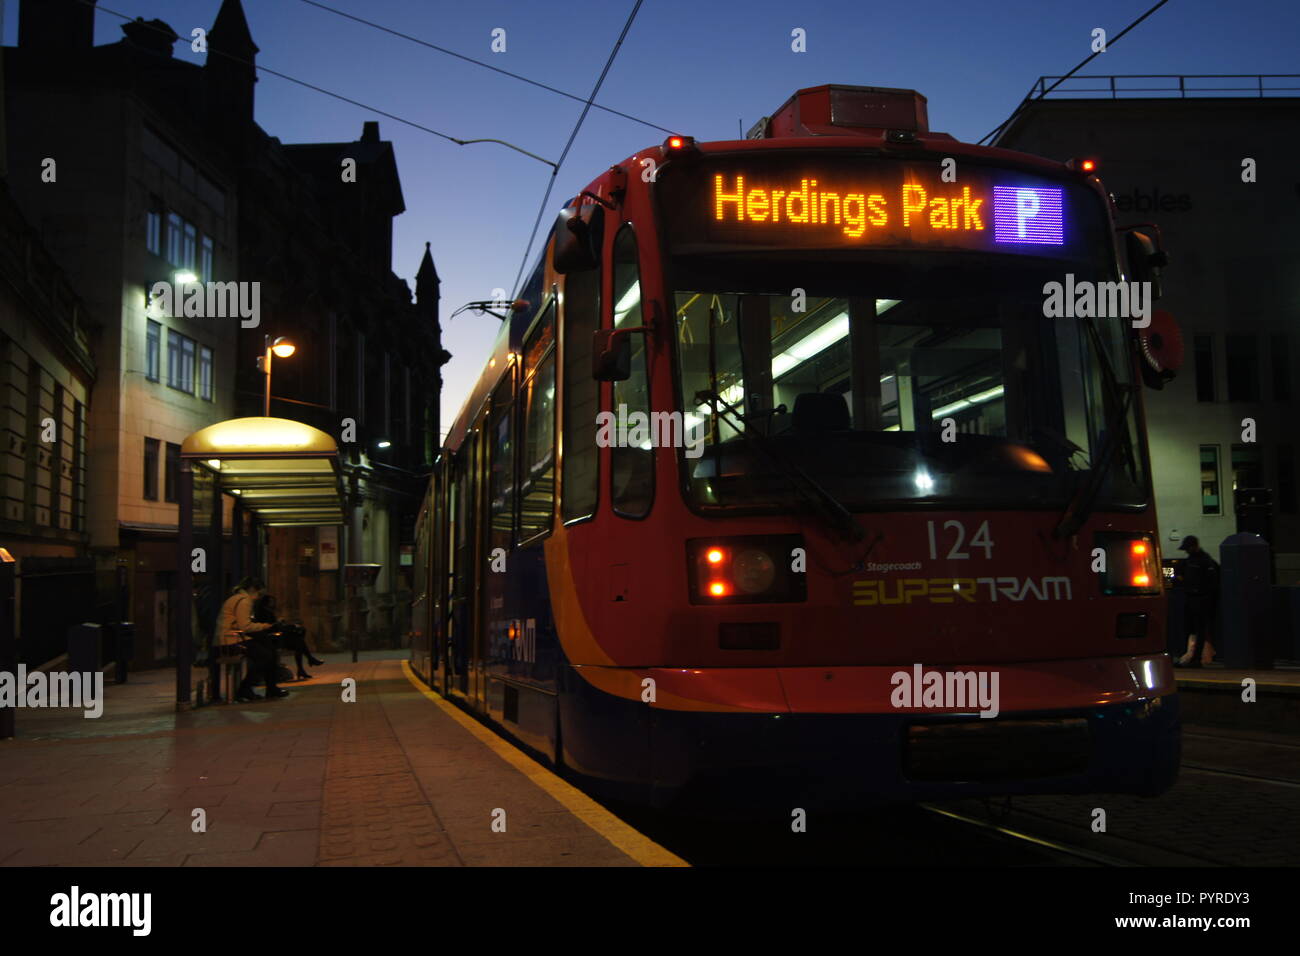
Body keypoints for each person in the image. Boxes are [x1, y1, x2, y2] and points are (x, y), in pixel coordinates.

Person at [216, 576, 289, 700]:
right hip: (231, 641)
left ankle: (266, 688)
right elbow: (245, 625)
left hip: (229, 639)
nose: (258, 598)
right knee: (266, 655)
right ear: (252, 589)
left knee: (267, 650)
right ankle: (248, 688)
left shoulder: (237, 598)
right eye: (259, 594)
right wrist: (265, 626)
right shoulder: (244, 601)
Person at [252, 593, 324, 681]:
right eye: (271, 601)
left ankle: (305, 665)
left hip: (277, 635)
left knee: (299, 641)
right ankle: (307, 662)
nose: (273, 603)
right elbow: (270, 626)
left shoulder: (267, 611)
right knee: (299, 640)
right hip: (273, 638)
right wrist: (281, 624)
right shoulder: (264, 612)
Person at [1175, 536, 1220, 667]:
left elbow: (1212, 583)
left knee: (1198, 629)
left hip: (1199, 599)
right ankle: (1191, 657)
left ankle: (1194, 658)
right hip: (1196, 599)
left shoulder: (1201, 562)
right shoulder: (1203, 561)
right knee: (1194, 629)